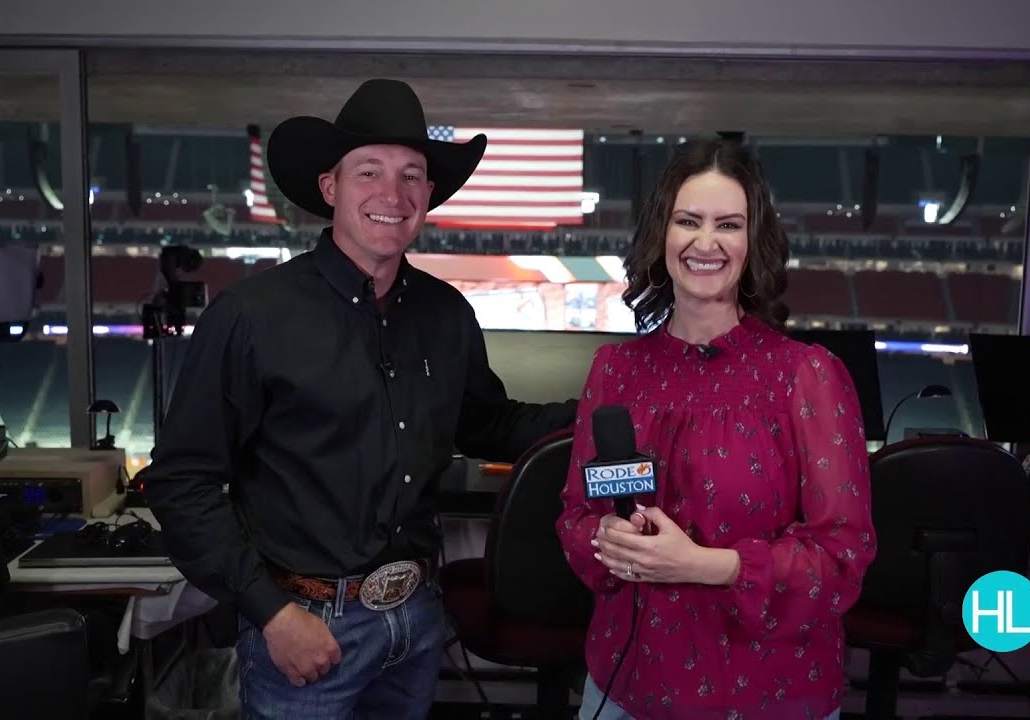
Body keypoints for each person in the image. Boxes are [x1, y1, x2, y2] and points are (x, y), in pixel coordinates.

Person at [140, 79, 577, 720]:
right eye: (369, 171)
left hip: (418, 622)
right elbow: (182, 483)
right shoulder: (253, 316)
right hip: (305, 629)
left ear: (429, 194)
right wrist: (273, 614)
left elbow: (490, 424)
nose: (392, 195)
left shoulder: (446, 313)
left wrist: (614, 410)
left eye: (411, 176)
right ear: (330, 189)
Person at [556, 139, 876, 720]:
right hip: (626, 687)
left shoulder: (807, 375)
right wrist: (608, 540)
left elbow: (842, 558)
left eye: (728, 224)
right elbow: (576, 518)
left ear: (754, 244)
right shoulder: (615, 371)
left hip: (765, 694)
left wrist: (705, 565)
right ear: (662, 235)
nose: (706, 242)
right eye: (688, 221)